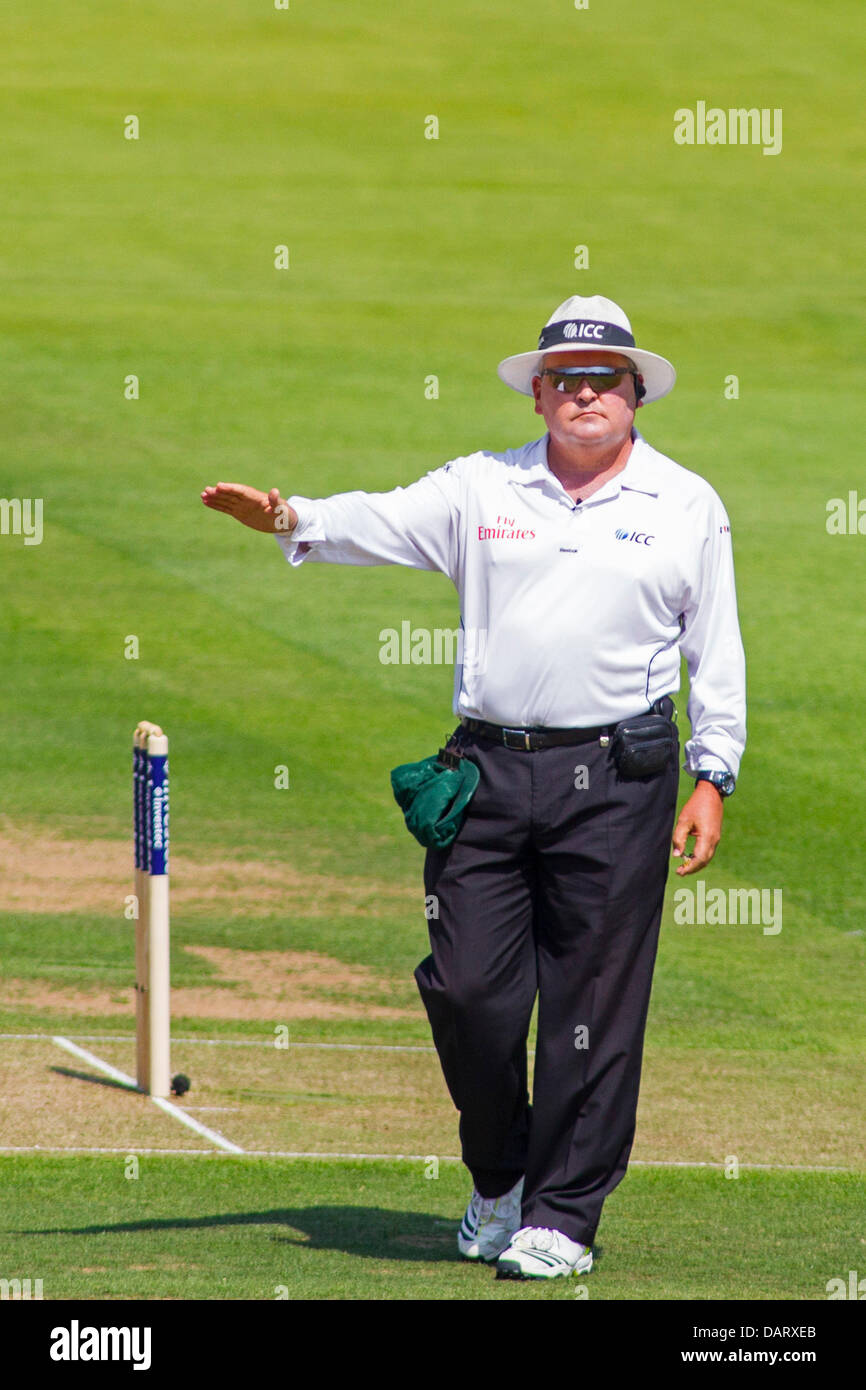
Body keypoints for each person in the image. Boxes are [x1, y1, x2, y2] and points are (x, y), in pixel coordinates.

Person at [201, 294, 746, 1280]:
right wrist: (287, 516)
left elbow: (716, 650)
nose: (585, 392)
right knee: (466, 992)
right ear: (537, 395)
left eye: (604, 379)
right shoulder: (481, 488)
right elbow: (377, 518)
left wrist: (711, 772)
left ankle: (562, 1214)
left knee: (593, 1001)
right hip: (486, 773)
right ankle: (499, 1175)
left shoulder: (684, 504)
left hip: (620, 778)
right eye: (565, 379)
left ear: (635, 396)